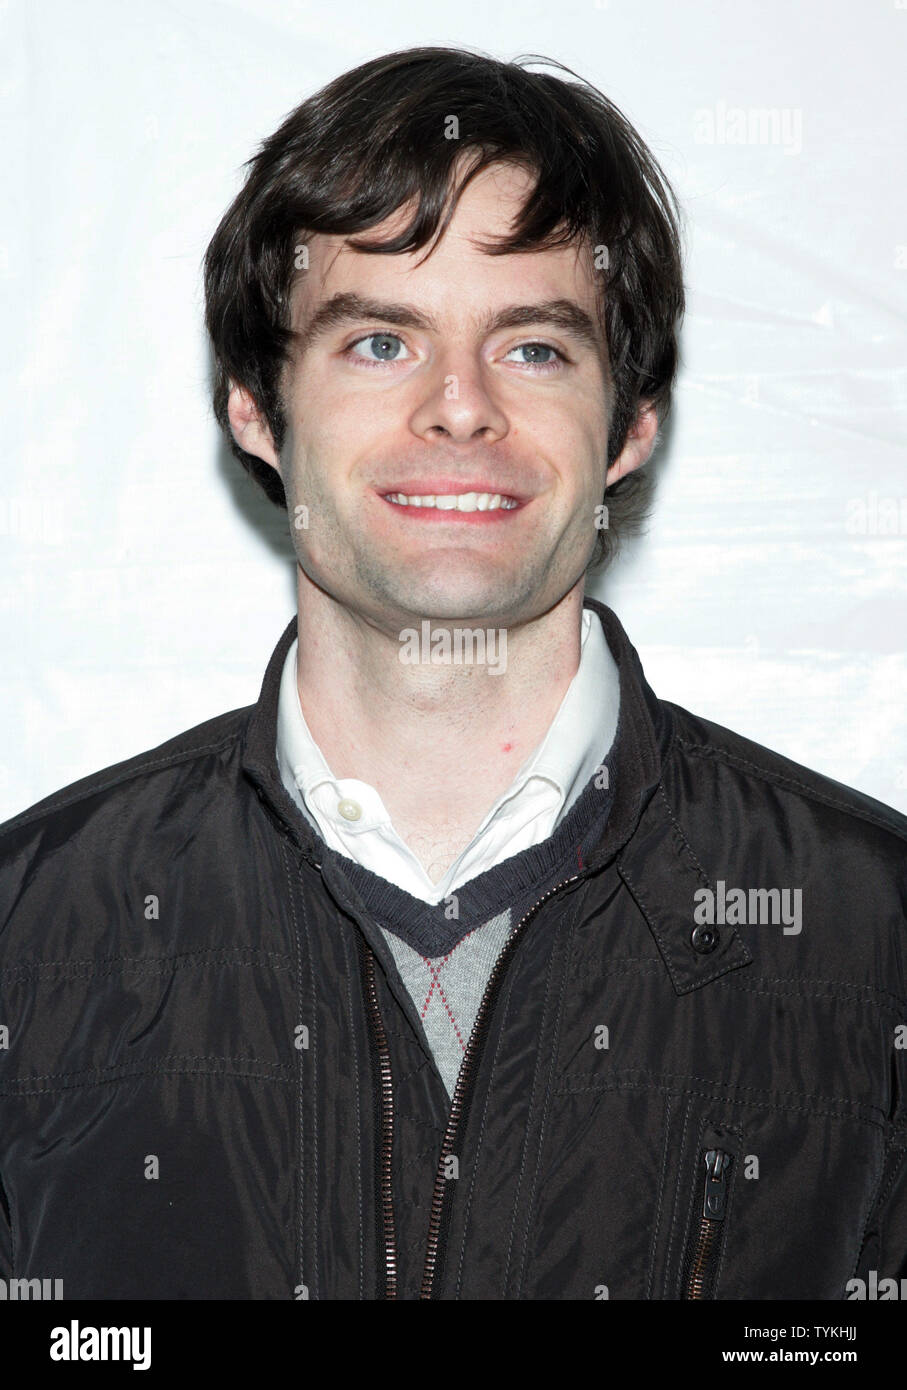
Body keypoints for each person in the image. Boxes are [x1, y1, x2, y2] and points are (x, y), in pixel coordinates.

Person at [1, 46, 904, 1301]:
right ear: (256, 410)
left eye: (534, 348)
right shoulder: (31, 932)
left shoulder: (872, 932)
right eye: (379, 342)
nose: (460, 406)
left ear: (631, 423)